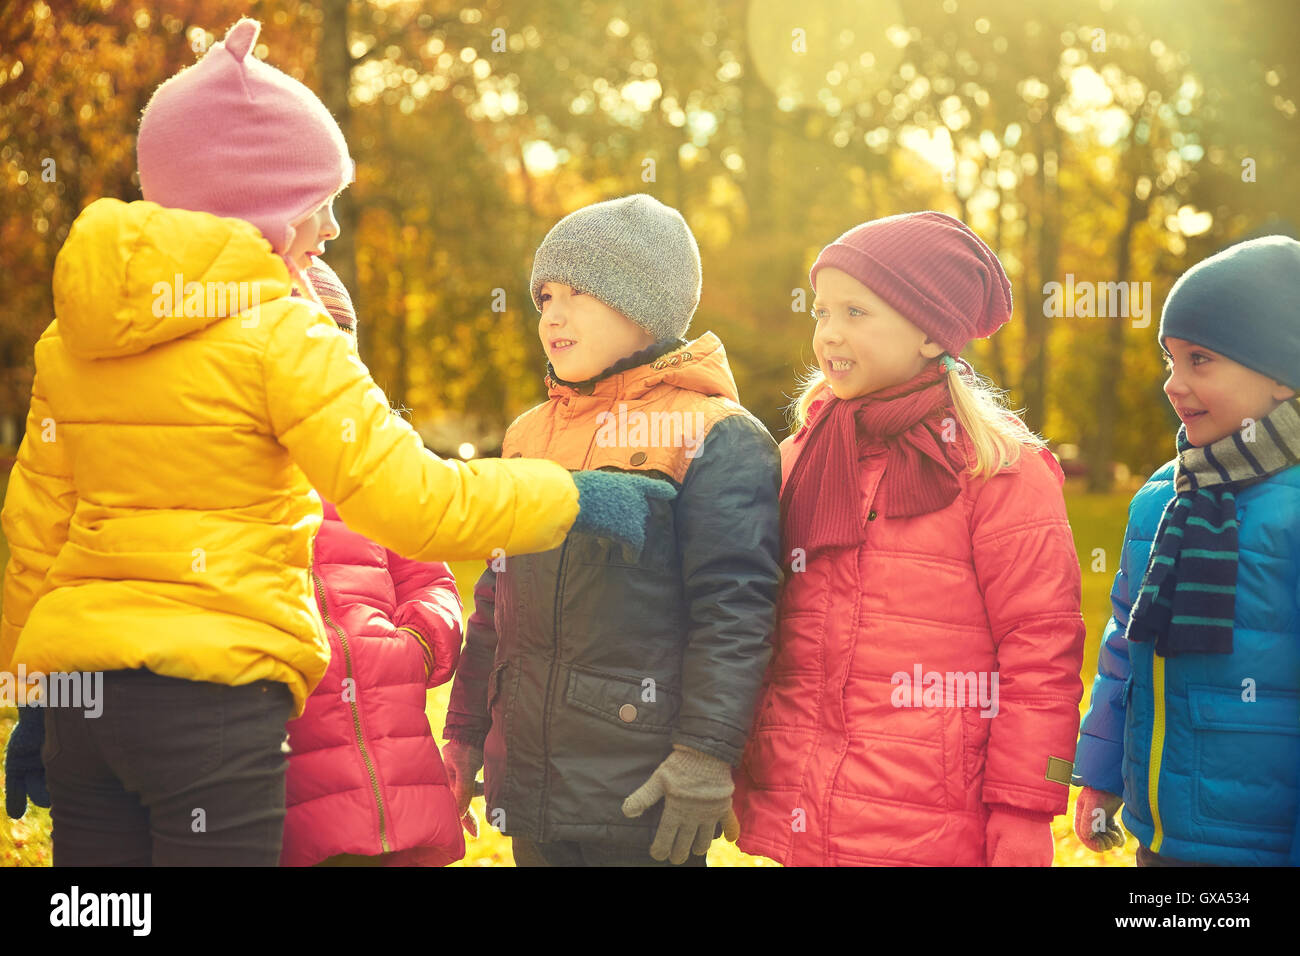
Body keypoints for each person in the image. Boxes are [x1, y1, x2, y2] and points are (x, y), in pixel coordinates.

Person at [0, 18, 667, 866]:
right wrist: (579, 495)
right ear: (261, 207)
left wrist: (35, 696)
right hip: (213, 708)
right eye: (317, 202)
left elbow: (35, 532)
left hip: (86, 706)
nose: (332, 231)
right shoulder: (283, 332)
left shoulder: (76, 337)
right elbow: (413, 502)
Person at [733, 211, 1086, 866]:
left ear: (930, 332)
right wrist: (734, 764)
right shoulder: (801, 458)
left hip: (934, 821)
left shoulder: (998, 469)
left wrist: (1025, 804)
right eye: (821, 312)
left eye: (856, 312)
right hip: (806, 809)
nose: (828, 334)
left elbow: (1044, 651)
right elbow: (757, 626)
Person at [441, 194, 783, 866]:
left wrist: (705, 756)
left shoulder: (715, 434)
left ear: (643, 307)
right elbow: (495, 604)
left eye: (579, 293)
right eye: (544, 296)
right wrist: (467, 731)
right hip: (532, 785)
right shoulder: (527, 434)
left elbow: (735, 614)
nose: (552, 314)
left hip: (643, 789)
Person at [1073, 235, 1300, 867]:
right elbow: (1125, 647)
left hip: (1261, 841)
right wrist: (1101, 773)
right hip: (1163, 836)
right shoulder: (1160, 500)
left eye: (1201, 360)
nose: (1174, 384)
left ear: (1283, 373)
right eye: (1169, 360)